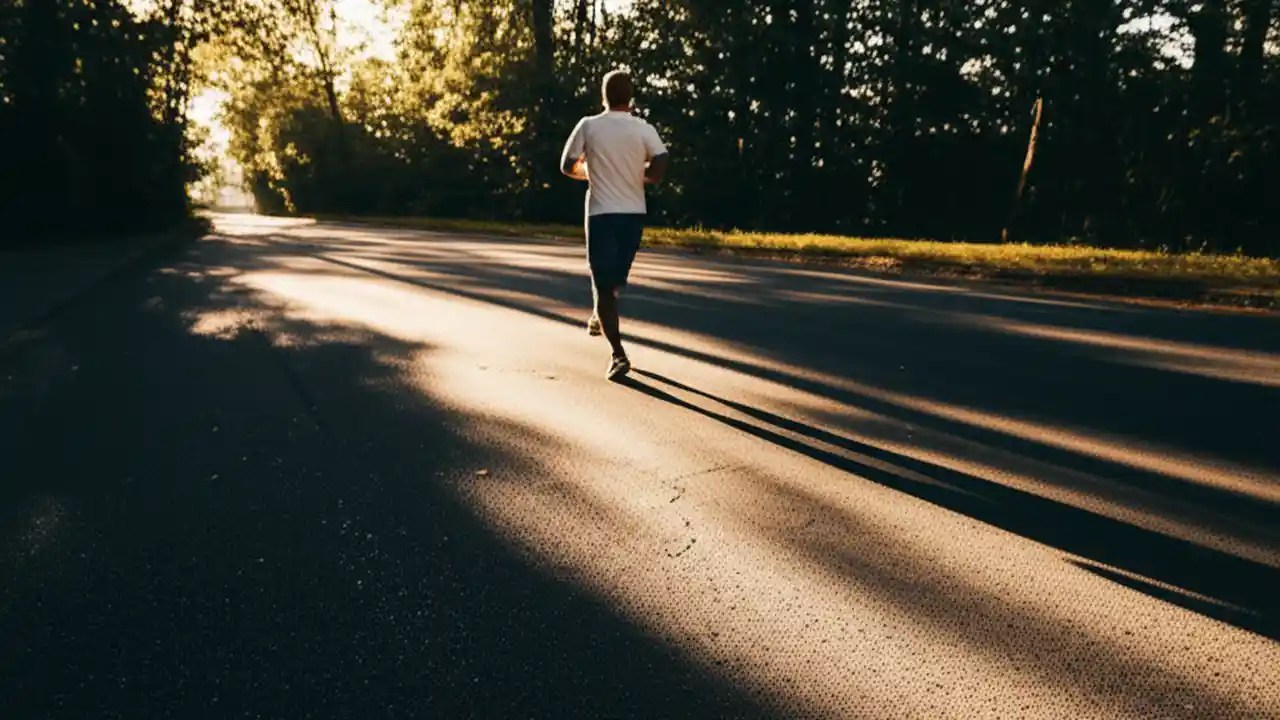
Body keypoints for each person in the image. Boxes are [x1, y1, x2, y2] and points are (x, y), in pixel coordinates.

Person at [560, 70, 669, 381]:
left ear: (604, 96)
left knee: (610, 283)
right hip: (633, 213)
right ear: (631, 98)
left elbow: (566, 164)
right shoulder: (643, 129)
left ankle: (600, 311)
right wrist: (648, 177)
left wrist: (589, 172)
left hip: (601, 214)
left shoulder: (588, 125)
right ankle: (618, 354)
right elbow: (661, 158)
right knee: (610, 282)